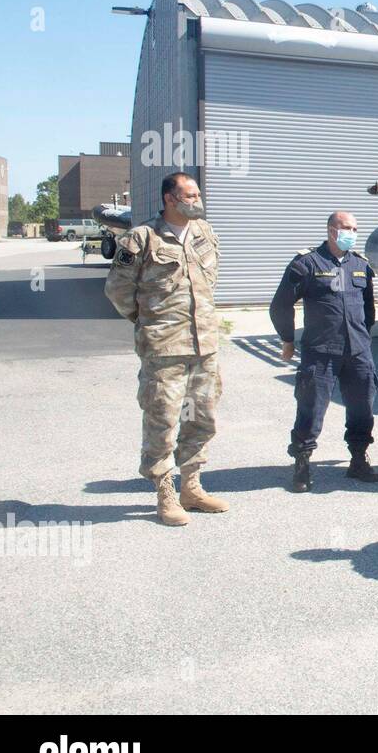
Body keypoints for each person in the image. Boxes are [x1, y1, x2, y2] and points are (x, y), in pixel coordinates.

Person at [103, 172, 230, 526]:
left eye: (197, 194)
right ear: (170, 199)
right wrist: (150, 323)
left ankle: (191, 486)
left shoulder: (205, 233)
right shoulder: (141, 239)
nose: (197, 200)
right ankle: (165, 493)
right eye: (189, 195)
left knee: (201, 419)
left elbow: (210, 282)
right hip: (164, 349)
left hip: (204, 346)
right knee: (163, 419)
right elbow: (118, 291)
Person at [269, 211, 378, 492]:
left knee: (362, 406)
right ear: (332, 230)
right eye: (346, 228)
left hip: (358, 352)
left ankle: (358, 459)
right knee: (311, 407)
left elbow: (369, 309)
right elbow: (281, 304)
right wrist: (287, 339)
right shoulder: (307, 263)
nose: (351, 233)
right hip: (321, 351)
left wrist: (363, 337)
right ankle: (302, 465)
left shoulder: (360, 265)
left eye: (355, 228)